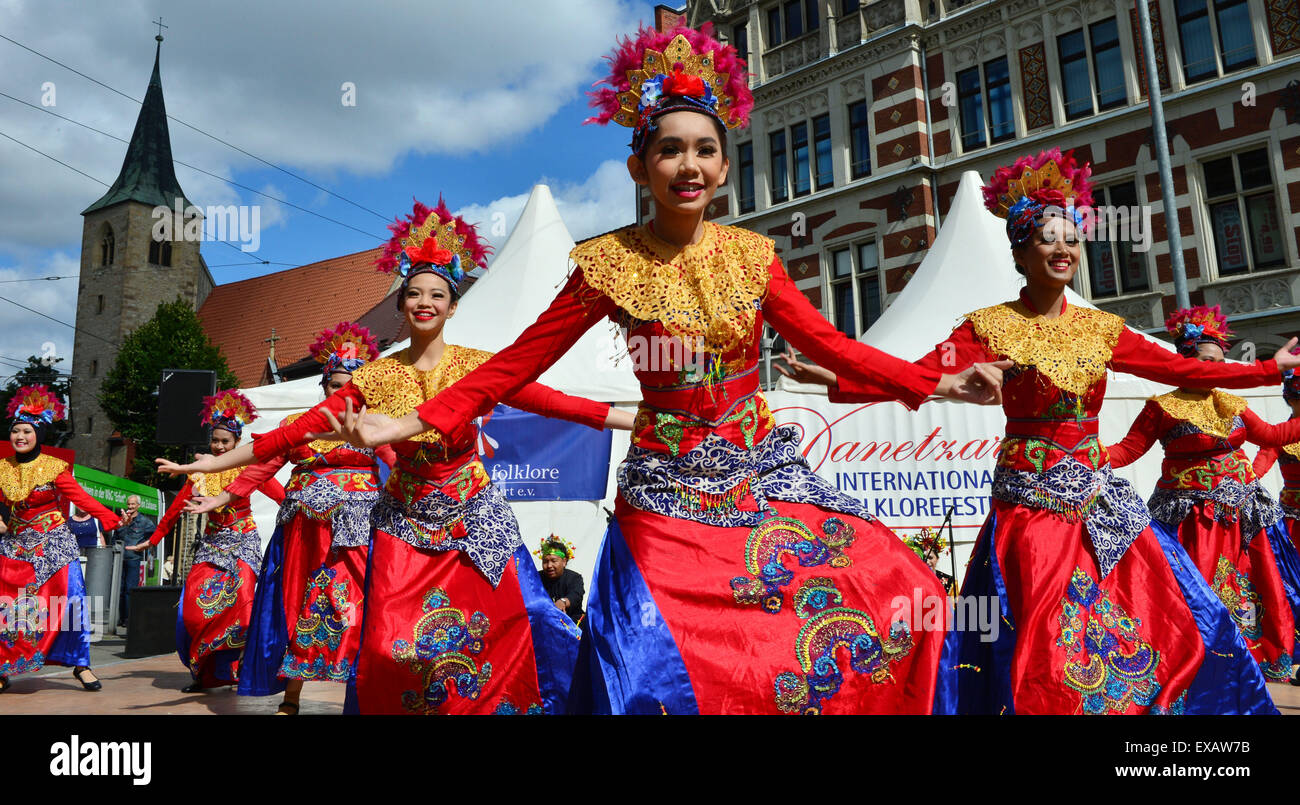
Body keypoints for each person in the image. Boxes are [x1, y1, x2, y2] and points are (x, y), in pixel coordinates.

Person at [320, 25, 1013, 715]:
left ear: (722, 167)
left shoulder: (753, 258)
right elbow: (512, 365)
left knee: (903, 592)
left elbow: (836, 345)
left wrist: (939, 382)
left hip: (762, 477)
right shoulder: (607, 265)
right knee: (641, 664)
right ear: (639, 167)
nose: (689, 165)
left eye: (704, 150)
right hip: (664, 495)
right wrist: (407, 421)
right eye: (670, 149)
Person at [784, 148, 1300, 713]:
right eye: (1048, 238)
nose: (1064, 249)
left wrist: (1267, 370)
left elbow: (1184, 369)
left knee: (1169, 603)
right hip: (1032, 499)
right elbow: (919, 376)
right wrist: (837, 379)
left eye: (1072, 238)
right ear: (1021, 252)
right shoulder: (990, 326)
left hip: (1100, 497)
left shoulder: (1103, 329)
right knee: (1046, 616)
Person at [157, 200, 635, 715]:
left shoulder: (477, 368)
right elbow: (297, 430)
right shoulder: (376, 378)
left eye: (437, 294)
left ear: (454, 306)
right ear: (403, 304)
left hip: (475, 514)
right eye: (414, 293)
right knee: (386, 642)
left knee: (529, 617)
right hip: (403, 519)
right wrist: (215, 465)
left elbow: (552, 400)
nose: (424, 302)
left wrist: (637, 418)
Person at [192, 322, 396, 715]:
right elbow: (261, 467)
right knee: (295, 607)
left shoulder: (375, 428)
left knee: (357, 609)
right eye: (336, 384)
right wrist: (221, 494)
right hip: (302, 532)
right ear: (324, 387)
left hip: (355, 533)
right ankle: (291, 697)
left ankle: (363, 697)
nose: (343, 392)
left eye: (351, 384)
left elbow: (399, 468)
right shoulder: (296, 426)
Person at [1106, 306, 1300, 681]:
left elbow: (1273, 438)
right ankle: (1198, 661)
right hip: (1190, 520)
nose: (1213, 369)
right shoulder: (1161, 408)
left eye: (1219, 362)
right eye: (1205, 361)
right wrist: (1083, 451)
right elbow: (1128, 450)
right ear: (1184, 362)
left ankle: (1254, 661)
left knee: (1256, 588)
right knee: (1196, 591)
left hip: (1244, 514)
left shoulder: (1232, 403)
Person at [132, 390, 285, 692]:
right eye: (214, 440)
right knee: (193, 610)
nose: (218, 445)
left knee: (243, 604)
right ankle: (203, 672)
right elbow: (174, 512)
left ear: (236, 442)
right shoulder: (199, 473)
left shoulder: (250, 469)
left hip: (243, 540)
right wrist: (153, 540)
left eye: (224, 441)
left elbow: (283, 497)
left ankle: (239, 666)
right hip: (212, 545)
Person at [0, 385, 121, 693]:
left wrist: (110, 518)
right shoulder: (3, 469)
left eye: (27, 431)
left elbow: (80, 497)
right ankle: (4, 666)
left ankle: (81, 665)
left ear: (39, 434)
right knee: (11, 609)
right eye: (15, 431)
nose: (20, 437)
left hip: (54, 546)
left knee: (70, 605)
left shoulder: (54, 468)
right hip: (16, 548)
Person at [114, 494, 155, 628]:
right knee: (119, 590)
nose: (130, 507)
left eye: (133, 504)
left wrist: (143, 546)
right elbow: (115, 537)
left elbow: (154, 537)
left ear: (138, 505)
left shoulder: (145, 522)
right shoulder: (122, 520)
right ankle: (119, 618)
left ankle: (128, 618)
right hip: (120, 559)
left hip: (133, 559)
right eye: (129, 504)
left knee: (129, 590)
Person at [536, 536, 584, 623]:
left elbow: (576, 595)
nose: (549, 565)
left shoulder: (574, 578)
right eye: (545, 562)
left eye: (554, 561)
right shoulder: (536, 578)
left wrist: (563, 602)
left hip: (572, 623)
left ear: (564, 562)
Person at [904, 528, 956, 596]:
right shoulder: (910, 580)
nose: (927, 561)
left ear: (937, 558)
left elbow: (956, 604)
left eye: (930, 558)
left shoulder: (949, 581)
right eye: (924, 558)